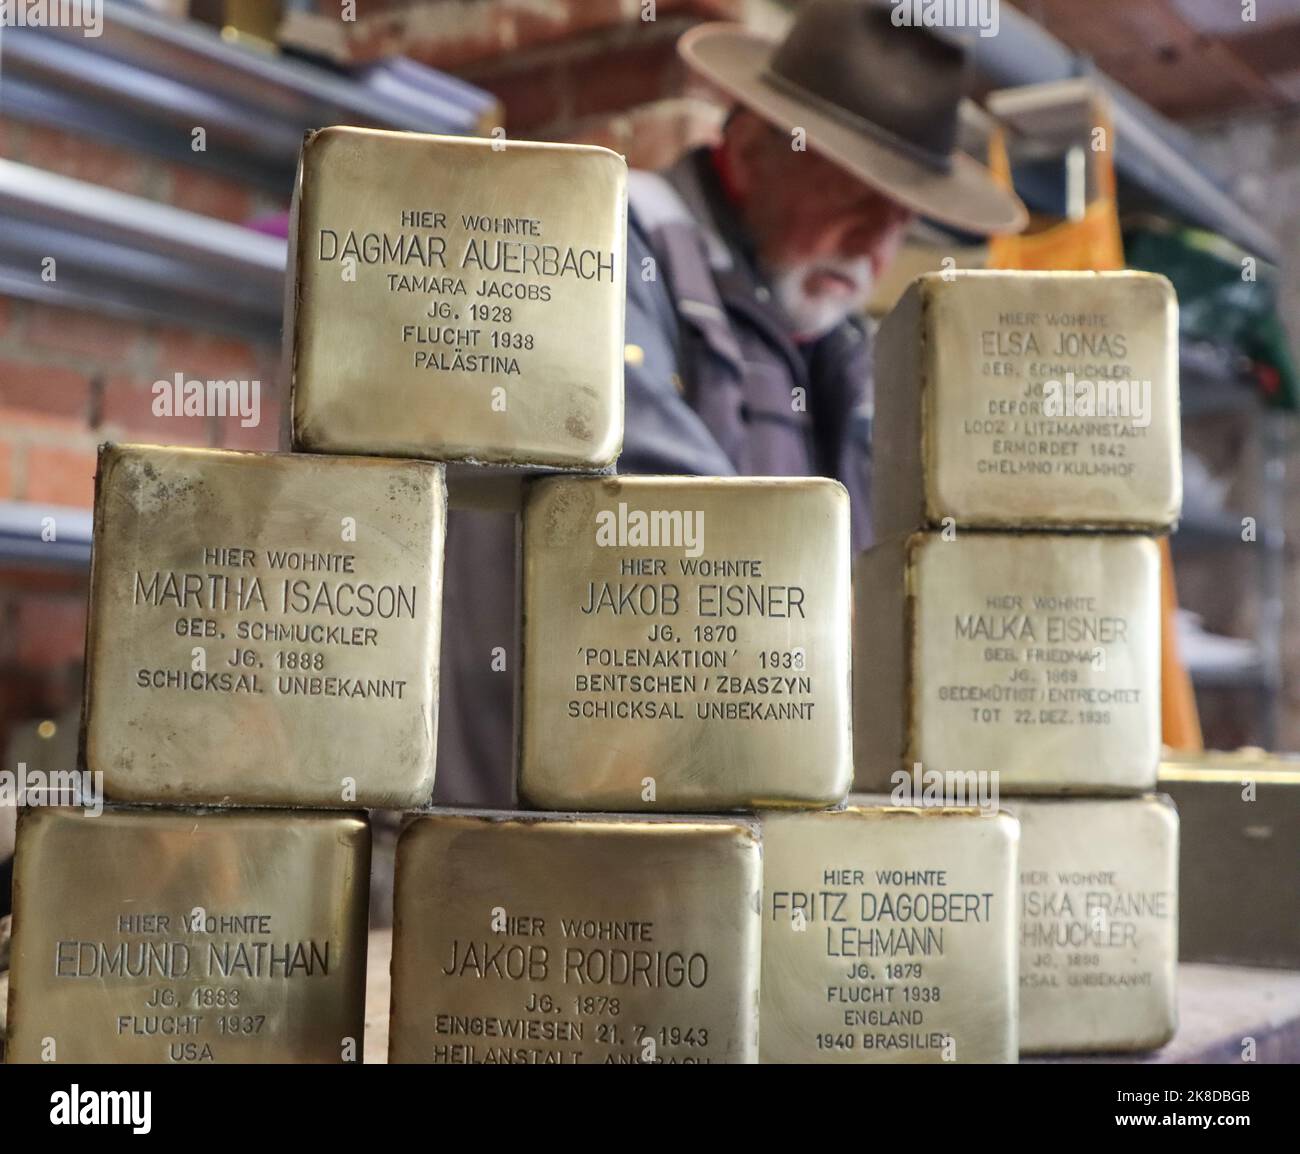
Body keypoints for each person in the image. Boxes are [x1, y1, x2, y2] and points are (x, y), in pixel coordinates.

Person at [432, 0, 1026, 809]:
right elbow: (650, 518)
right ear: (750, 150)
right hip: (550, 837)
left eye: (901, 217)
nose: (875, 244)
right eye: (855, 192)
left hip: (730, 834)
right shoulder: (602, 235)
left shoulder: (837, 342)